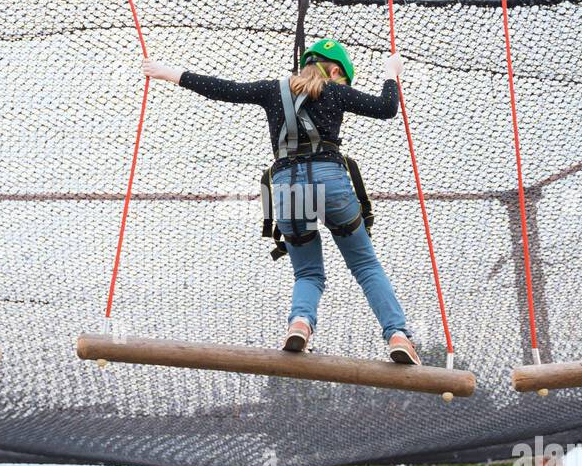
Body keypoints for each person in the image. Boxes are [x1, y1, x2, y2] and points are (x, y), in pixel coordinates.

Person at [142, 39, 420, 364]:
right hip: (330, 181)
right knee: (365, 265)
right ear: (333, 71)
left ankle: (300, 324)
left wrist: (166, 72)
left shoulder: (272, 90)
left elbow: (222, 89)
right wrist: (391, 72)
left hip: (288, 187)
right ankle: (397, 334)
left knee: (308, 274)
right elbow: (386, 108)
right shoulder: (336, 91)